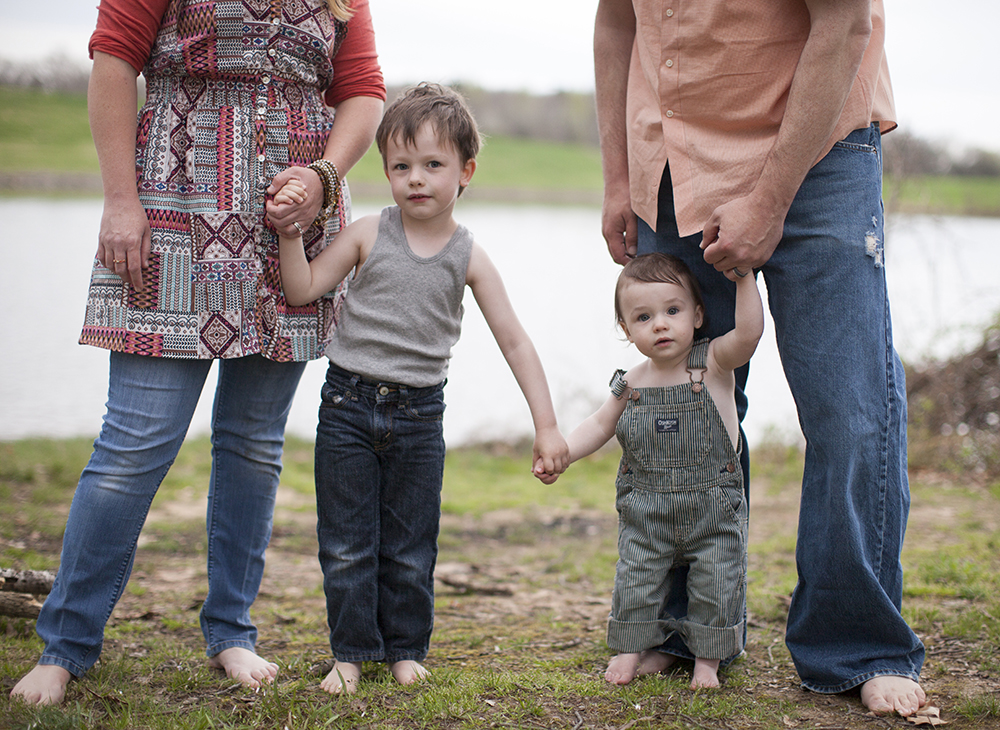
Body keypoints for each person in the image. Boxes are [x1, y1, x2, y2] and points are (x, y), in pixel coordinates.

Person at [10, 0, 385, 707]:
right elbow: (115, 58)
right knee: (134, 443)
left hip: (289, 229)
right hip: (170, 212)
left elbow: (363, 90)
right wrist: (120, 199)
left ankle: (231, 632)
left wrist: (325, 176)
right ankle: (64, 646)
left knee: (252, 446)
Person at [593, 0, 926, 716]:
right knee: (681, 410)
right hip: (673, 157)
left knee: (850, 410)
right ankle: (688, 630)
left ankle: (859, 645)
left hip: (821, 147)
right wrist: (619, 176)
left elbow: (844, 24)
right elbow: (617, 20)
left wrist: (771, 199)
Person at [273, 83, 570, 694]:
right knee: (348, 543)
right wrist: (288, 236)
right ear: (385, 172)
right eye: (401, 166)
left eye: (433, 165)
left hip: (417, 416)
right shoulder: (363, 234)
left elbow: (514, 341)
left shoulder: (469, 257)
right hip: (348, 407)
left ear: (466, 172)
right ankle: (351, 655)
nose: (416, 179)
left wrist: (545, 425)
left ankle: (406, 649)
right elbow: (304, 291)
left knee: (410, 545)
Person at [537, 253, 763, 689]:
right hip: (648, 512)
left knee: (717, 580)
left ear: (697, 315)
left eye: (672, 311)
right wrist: (563, 452)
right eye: (644, 317)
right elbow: (600, 424)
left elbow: (750, 334)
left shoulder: (712, 361)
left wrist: (743, 279)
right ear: (627, 330)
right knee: (636, 579)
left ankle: (707, 662)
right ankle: (628, 650)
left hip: (712, 508)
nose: (660, 324)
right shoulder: (630, 382)